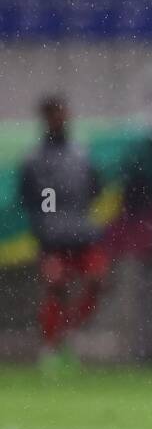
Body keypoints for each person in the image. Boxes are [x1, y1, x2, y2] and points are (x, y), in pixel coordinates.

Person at [19, 97, 107, 370]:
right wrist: (50, 218)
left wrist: (75, 214)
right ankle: (51, 347)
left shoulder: (81, 153)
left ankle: (67, 331)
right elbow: (33, 197)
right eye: (55, 115)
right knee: (55, 288)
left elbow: (94, 187)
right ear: (46, 119)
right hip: (52, 239)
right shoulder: (35, 159)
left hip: (82, 234)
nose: (61, 119)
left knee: (97, 280)